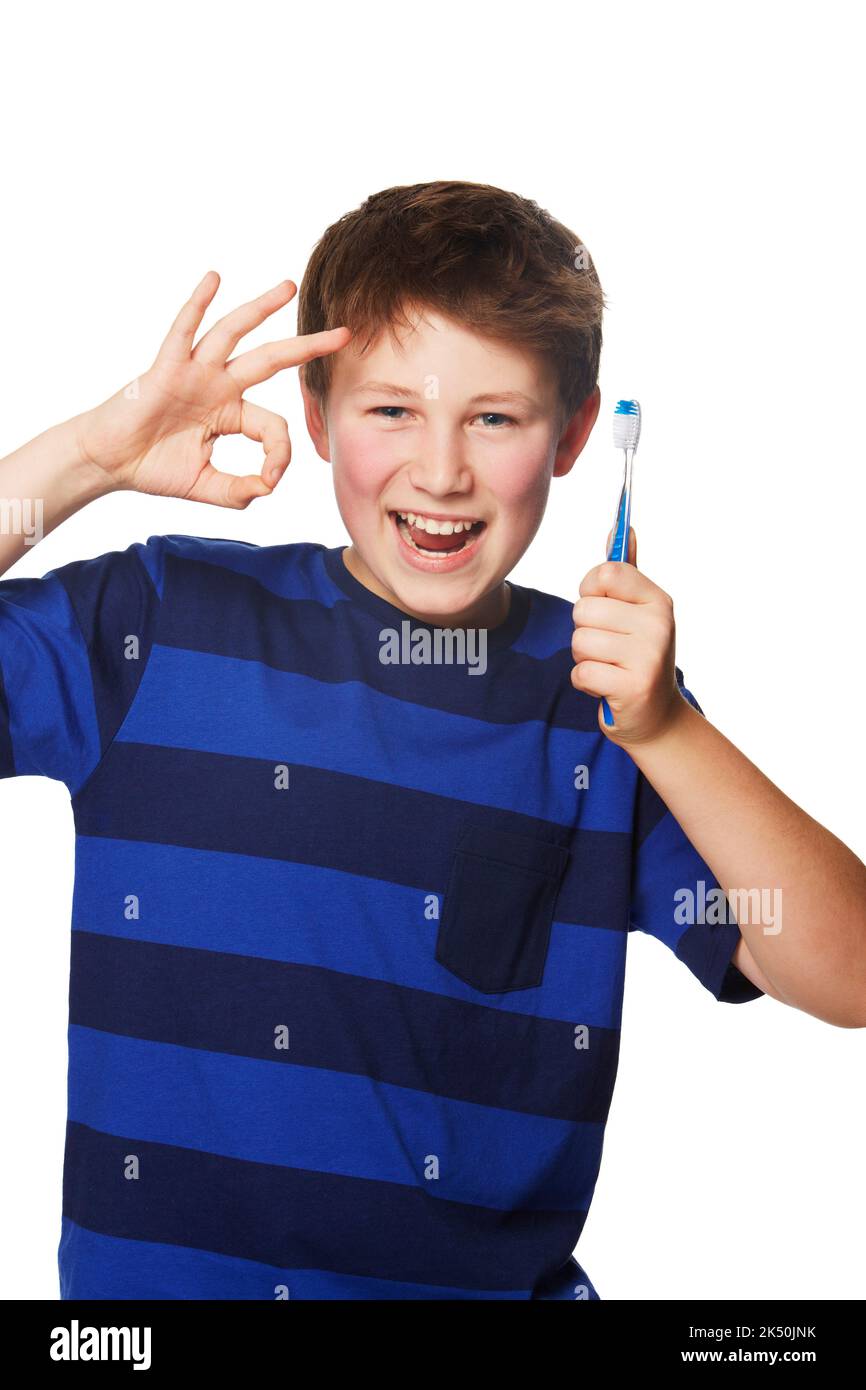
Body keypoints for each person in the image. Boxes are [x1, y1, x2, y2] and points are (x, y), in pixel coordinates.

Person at [1, 180, 864, 1301]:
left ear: (572, 436)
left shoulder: (601, 710)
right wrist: (89, 459)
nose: (443, 470)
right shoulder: (154, 619)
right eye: (390, 410)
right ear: (314, 414)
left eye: (494, 417)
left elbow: (844, 971)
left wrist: (666, 729)